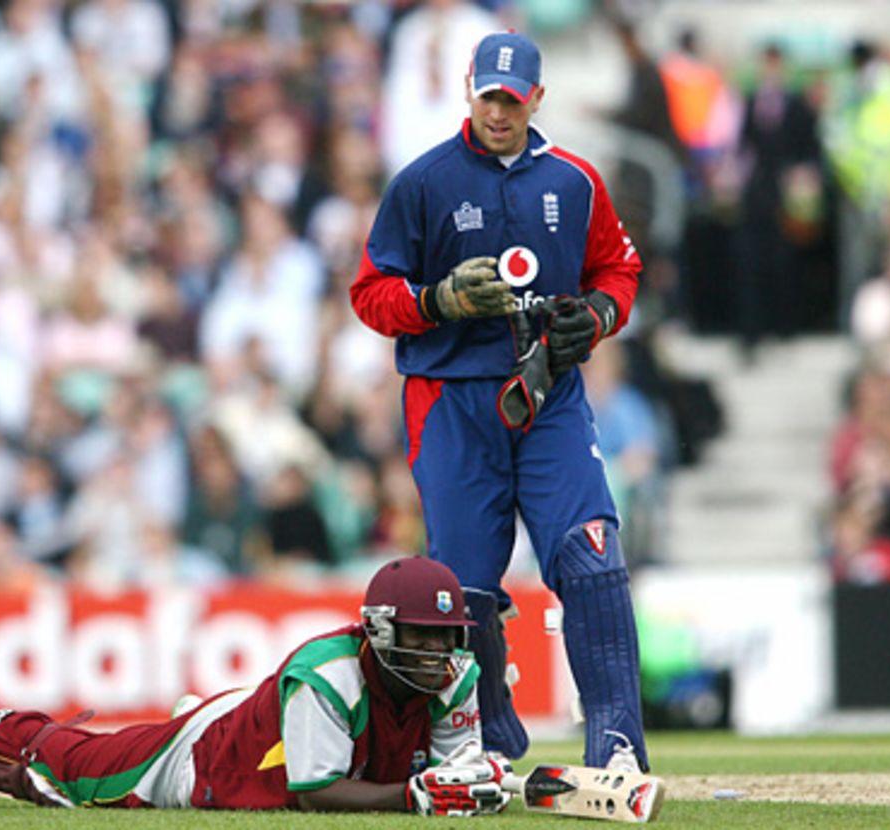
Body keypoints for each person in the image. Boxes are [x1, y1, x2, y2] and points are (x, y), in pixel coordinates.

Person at [348, 31, 649, 773]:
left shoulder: (575, 181)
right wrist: (438, 299)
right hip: (450, 401)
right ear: (469, 90)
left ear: (537, 99)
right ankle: (485, 737)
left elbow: (617, 269)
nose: (500, 113)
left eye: (513, 100)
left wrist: (598, 318)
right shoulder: (423, 182)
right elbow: (370, 294)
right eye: (489, 97)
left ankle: (615, 743)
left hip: (547, 391)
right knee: (462, 588)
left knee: (591, 554)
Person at [0, 556, 512, 814]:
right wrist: (413, 798)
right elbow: (318, 794)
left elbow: (458, 773)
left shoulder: (458, 676)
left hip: (251, 726)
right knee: (58, 761)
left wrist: (479, 784)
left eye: (444, 634)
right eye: (421, 635)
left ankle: (195, 714)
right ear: (377, 629)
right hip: (203, 762)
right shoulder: (328, 672)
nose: (436, 652)